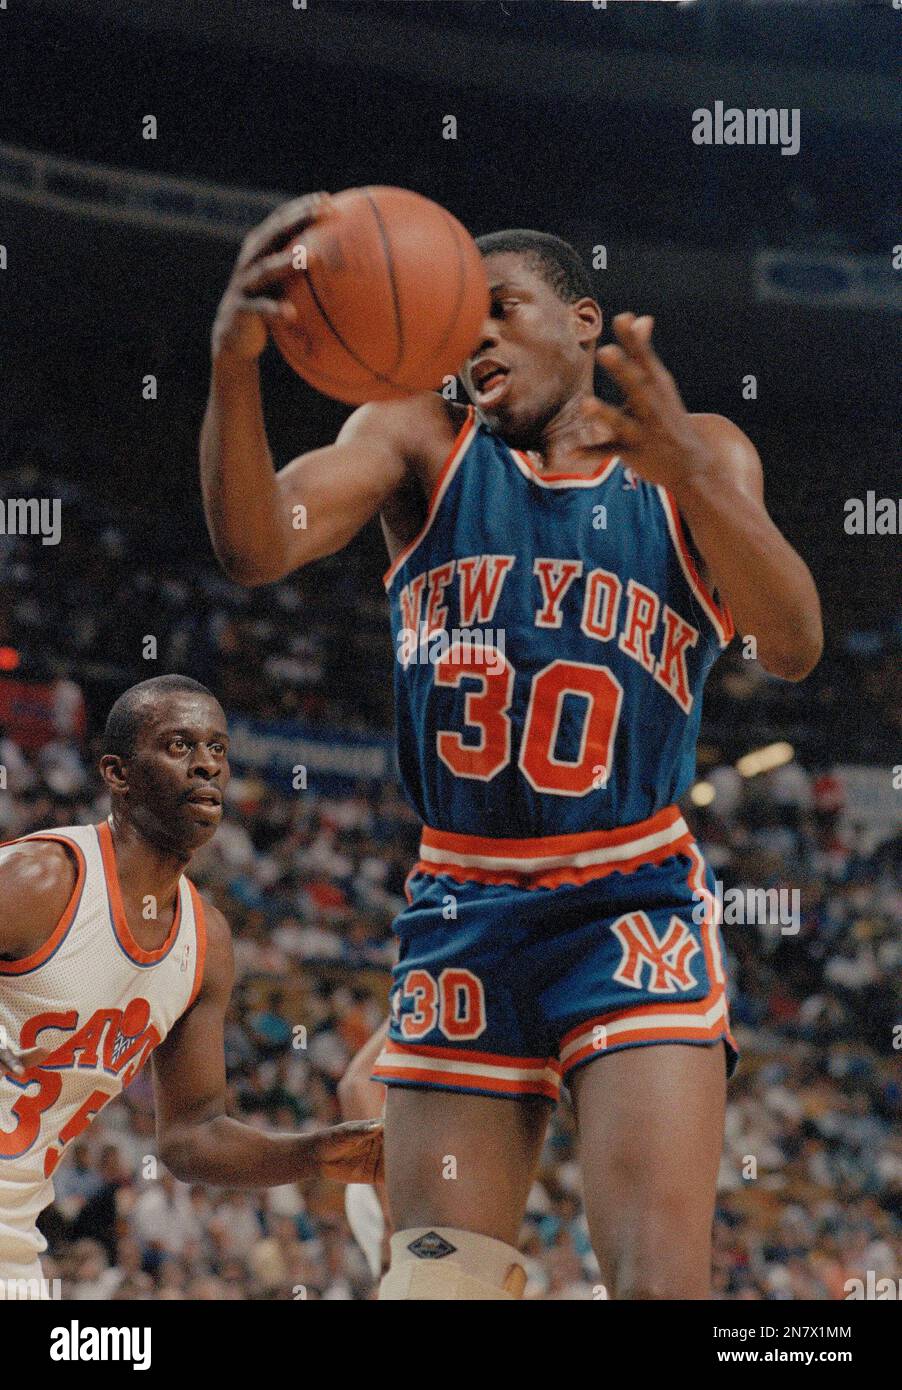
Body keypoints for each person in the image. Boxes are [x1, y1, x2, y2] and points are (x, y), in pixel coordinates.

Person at [200, 199, 822, 1300]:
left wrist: (690, 475)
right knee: (440, 1288)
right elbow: (256, 546)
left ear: (583, 323)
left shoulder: (699, 452)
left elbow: (792, 643)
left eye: (499, 310)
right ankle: (395, 1216)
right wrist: (234, 367)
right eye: (454, 326)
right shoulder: (414, 435)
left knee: (655, 1284)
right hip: (465, 905)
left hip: (628, 900)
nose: (472, 340)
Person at [0, 674, 382, 1292]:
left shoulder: (206, 945)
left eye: (218, 749)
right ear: (117, 774)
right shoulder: (42, 880)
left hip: (15, 1250)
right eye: (179, 746)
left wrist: (312, 1153)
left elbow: (192, 1136)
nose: (206, 764)